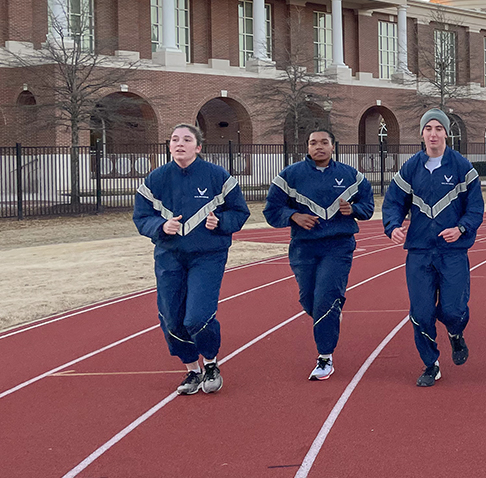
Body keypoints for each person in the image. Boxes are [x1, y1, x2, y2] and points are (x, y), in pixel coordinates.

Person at [133, 124, 250, 395]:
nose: (179, 144)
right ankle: (192, 371)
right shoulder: (156, 179)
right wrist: (160, 227)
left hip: (207, 256)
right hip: (169, 256)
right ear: (169, 146)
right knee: (171, 318)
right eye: (175, 140)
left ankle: (210, 363)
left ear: (198, 147)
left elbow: (239, 213)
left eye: (186, 139)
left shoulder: (216, 176)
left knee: (197, 316)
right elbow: (141, 217)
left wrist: (220, 222)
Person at [383, 110, 485, 387]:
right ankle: (431, 364)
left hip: (452, 251)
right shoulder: (411, 167)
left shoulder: (463, 167)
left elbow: (475, 209)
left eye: (439, 128)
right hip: (419, 251)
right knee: (421, 312)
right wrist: (393, 225)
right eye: (428, 128)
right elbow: (393, 201)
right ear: (421, 134)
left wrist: (461, 228)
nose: (433, 133)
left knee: (453, 310)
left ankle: (455, 332)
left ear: (446, 134)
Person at [263, 129, 374, 381]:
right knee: (309, 300)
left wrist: (353, 209)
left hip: (338, 246)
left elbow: (367, 205)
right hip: (304, 248)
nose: (319, 147)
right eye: (314, 143)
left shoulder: (350, 176)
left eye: (324, 142)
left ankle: (325, 356)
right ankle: (331, 313)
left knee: (326, 298)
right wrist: (293, 216)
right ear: (307, 146)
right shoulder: (290, 176)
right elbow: (272, 209)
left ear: (333, 146)